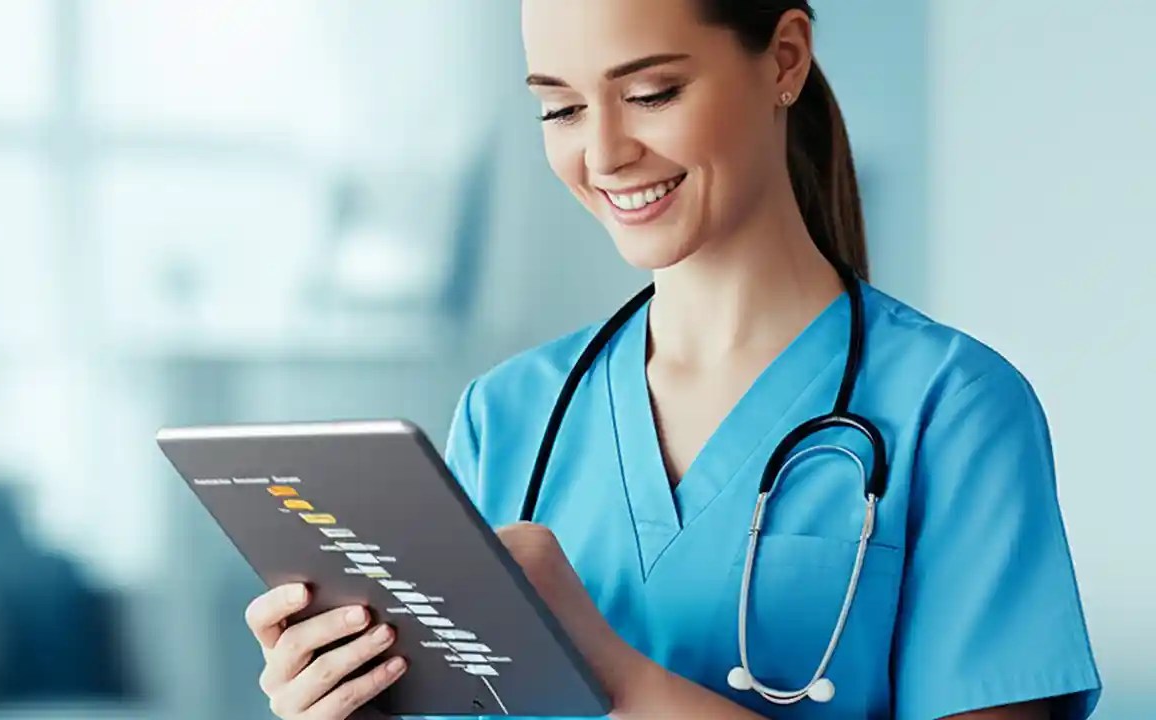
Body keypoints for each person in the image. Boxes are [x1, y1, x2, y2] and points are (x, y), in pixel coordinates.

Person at [243, 1, 1102, 717]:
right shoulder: (507, 416)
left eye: (652, 93)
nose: (605, 153)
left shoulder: (951, 408)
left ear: (785, 61)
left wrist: (606, 671)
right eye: (561, 108)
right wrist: (347, 698)